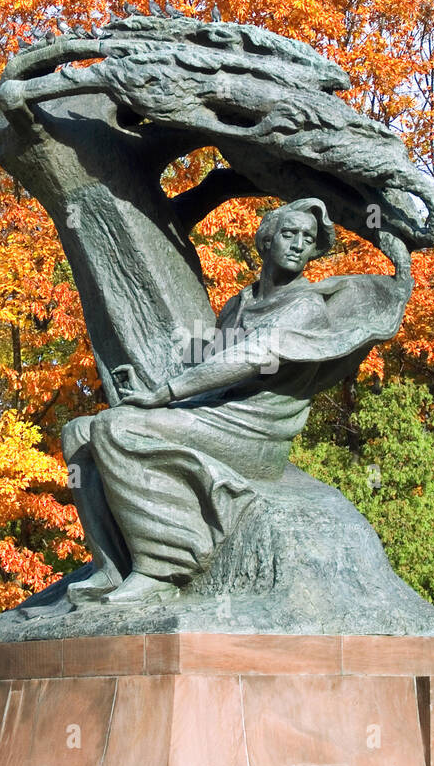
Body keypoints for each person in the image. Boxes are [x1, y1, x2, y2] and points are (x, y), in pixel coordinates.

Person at [31, 197, 413, 612]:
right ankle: (111, 565)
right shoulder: (241, 302)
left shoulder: (305, 308)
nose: (299, 245)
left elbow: (250, 357)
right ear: (266, 240)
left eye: (308, 239)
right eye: (290, 234)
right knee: (80, 431)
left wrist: (165, 394)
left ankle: (162, 568)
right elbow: (210, 361)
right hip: (216, 413)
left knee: (114, 429)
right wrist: (146, 386)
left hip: (254, 432)